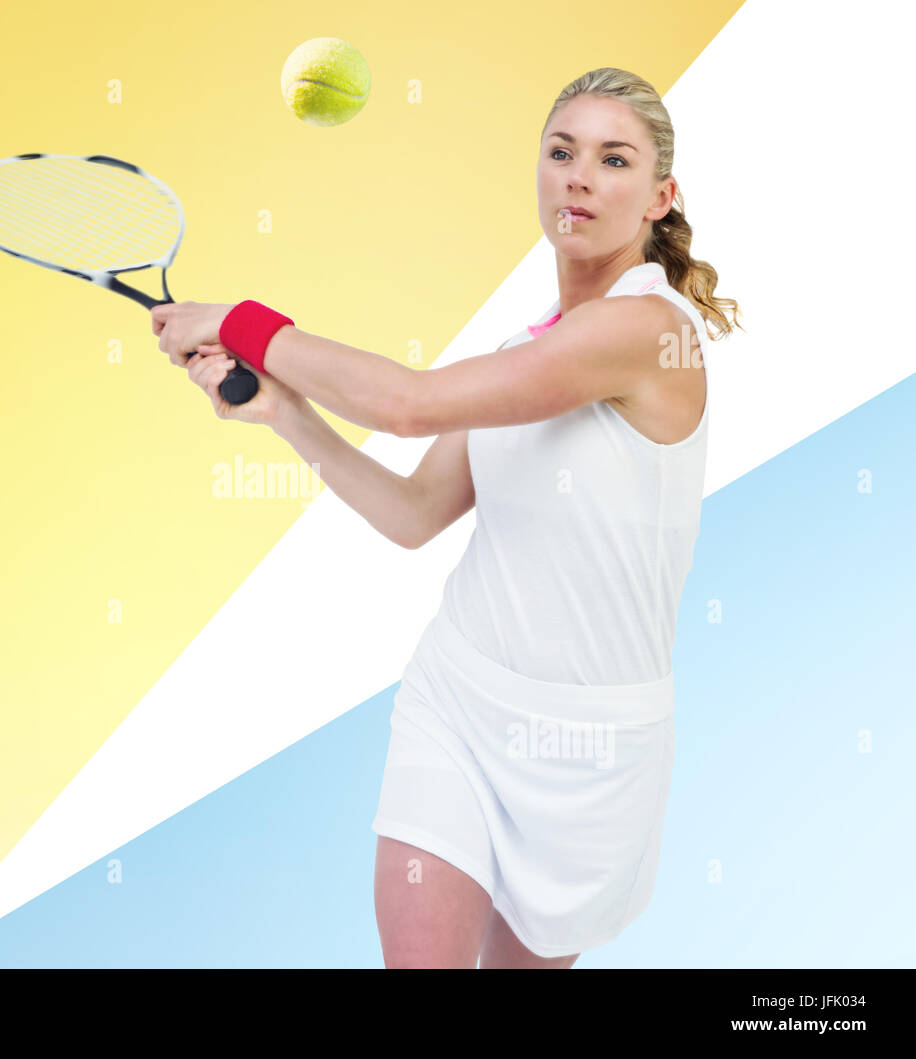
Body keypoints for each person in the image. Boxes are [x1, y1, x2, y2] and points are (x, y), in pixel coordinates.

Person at [151, 66, 742, 969]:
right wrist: (289, 415)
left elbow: (408, 404)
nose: (579, 176)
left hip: (594, 754)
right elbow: (415, 510)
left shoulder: (648, 333)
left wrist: (241, 319)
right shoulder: (522, 352)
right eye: (561, 152)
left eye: (613, 159)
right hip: (458, 702)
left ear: (662, 197)